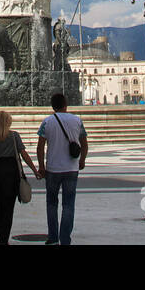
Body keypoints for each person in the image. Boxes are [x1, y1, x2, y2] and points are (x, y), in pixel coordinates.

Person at [0, 110, 40, 244]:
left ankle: (1, 238)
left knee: (0, 207)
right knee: (9, 208)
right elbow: (24, 155)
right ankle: (4, 238)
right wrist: (35, 171)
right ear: (8, 122)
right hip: (12, 174)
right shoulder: (14, 136)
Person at [37, 93, 87, 245]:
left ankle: (53, 237)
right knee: (68, 204)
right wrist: (82, 160)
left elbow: (40, 147)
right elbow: (84, 144)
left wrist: (41, 166)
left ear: (52, 106)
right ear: (66, 104)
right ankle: (65, 239)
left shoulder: (47, 122)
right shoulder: (77, 120)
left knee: (51, 204)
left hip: (52, 169)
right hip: (71, 168)